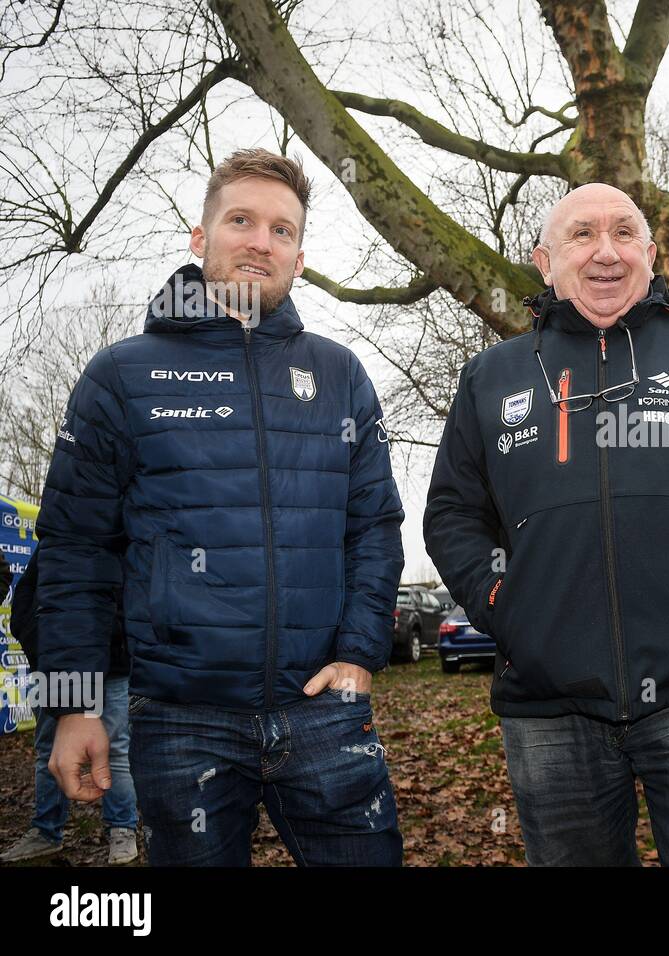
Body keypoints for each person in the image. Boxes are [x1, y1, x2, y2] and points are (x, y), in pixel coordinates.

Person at [38, 148, 405, 867]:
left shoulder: (338, 375)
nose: (260, 241)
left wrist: (360, 656)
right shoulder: (123, 374)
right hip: (181, 721)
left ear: (299, 257)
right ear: (200, 236)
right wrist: (75, 705)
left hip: (323, 714)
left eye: (282, 229)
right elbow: (74, 549)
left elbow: (374, 527)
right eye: (241, 220)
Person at [425, 182, 669, 866]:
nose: (606, 251)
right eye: (582, 234)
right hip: (549, 705)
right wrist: (500, 605)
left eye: (624, 233)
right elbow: (453, 512)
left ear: (652, 255)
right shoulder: (491, 376)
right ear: (545, 261)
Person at [1, 544, 138, 865]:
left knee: (116, 749)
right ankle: (46, 831)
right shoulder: (57, 537)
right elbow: (27, 596)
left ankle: (123, 828)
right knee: (49, 749)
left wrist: (120, 645)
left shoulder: (123, 538)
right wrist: (38, 644)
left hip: (112, 664)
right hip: (57, 664)